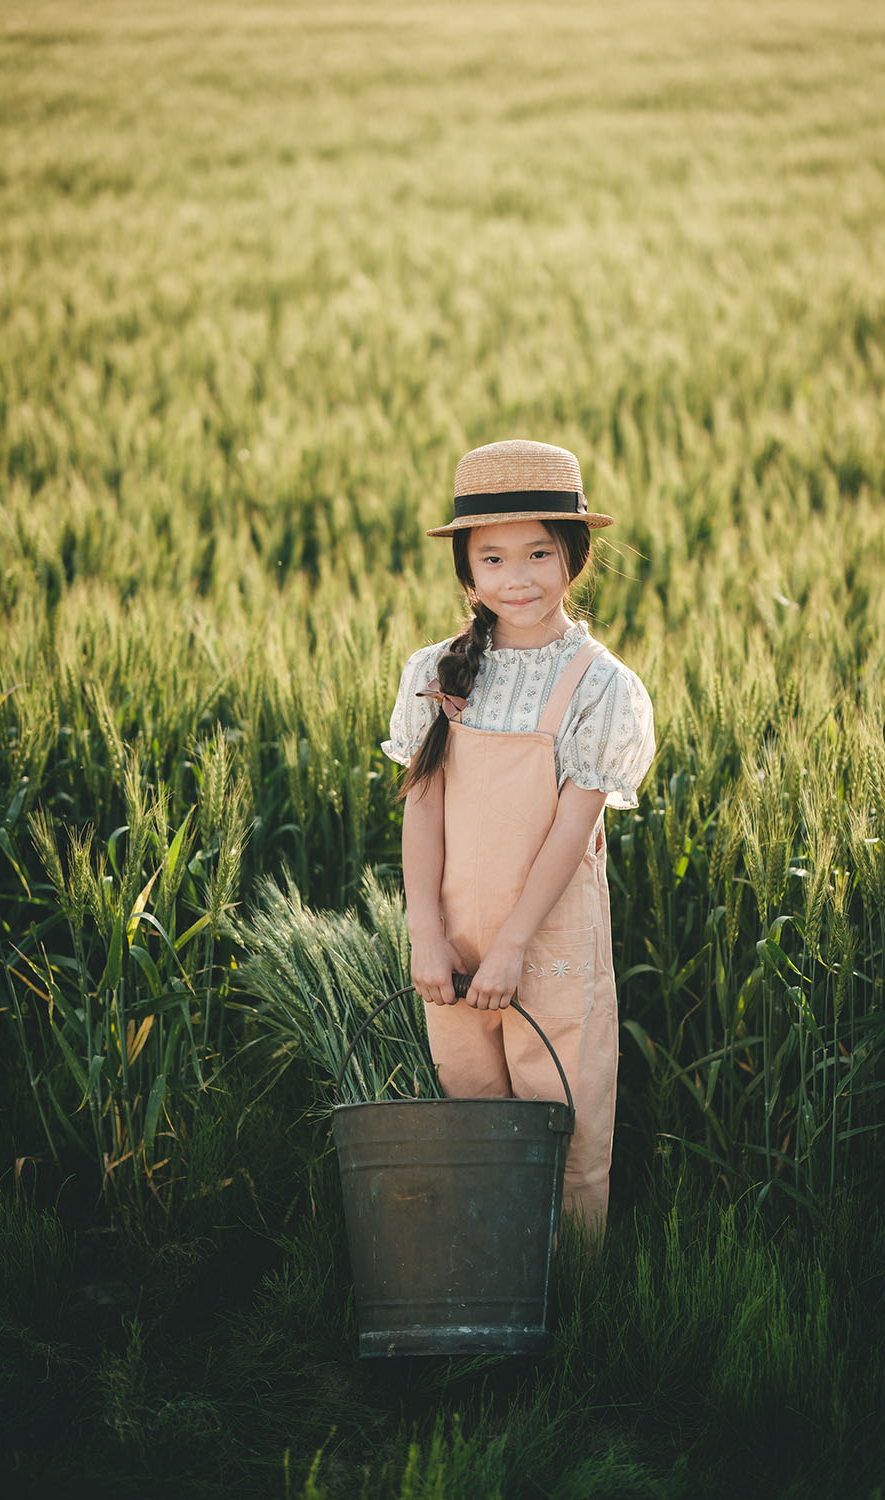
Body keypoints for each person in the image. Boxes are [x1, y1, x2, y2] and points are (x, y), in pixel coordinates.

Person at [382, 439, 655, 1234]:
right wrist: (425, 935)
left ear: (575, 553)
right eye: (493, 558)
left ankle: (569, 1315)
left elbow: (574, 829)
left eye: (539, 551)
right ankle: (491, 1296)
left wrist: (512, 947)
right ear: (468, 573)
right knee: (478, 1125)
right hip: (455, 951)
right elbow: (422, 809)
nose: (519, 577)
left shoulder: (602, 686)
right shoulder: (436, 670)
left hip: (550, 942)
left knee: (563, 1128)